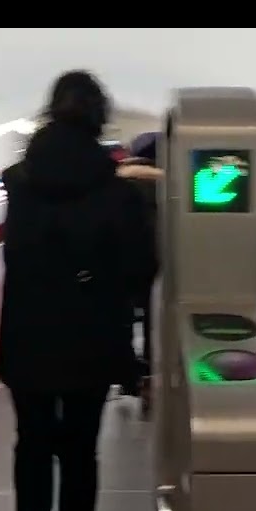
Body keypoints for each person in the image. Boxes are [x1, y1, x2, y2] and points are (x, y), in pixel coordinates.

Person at [0, 71, 153, 511]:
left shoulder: (18, 183)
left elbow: (16, 256)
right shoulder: (117, 194)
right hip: (90, 343)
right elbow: (141, 270)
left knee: (32, 446)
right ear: (98, 119)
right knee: (80, 456)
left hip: (26, 340)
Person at [115, 131, 162, 414]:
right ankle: (152, 380)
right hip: (154, 262)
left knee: (122, 322)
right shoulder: (166, 184)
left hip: (121, 262)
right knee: (152, 325)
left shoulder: (118, 183)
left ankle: (127, 378)